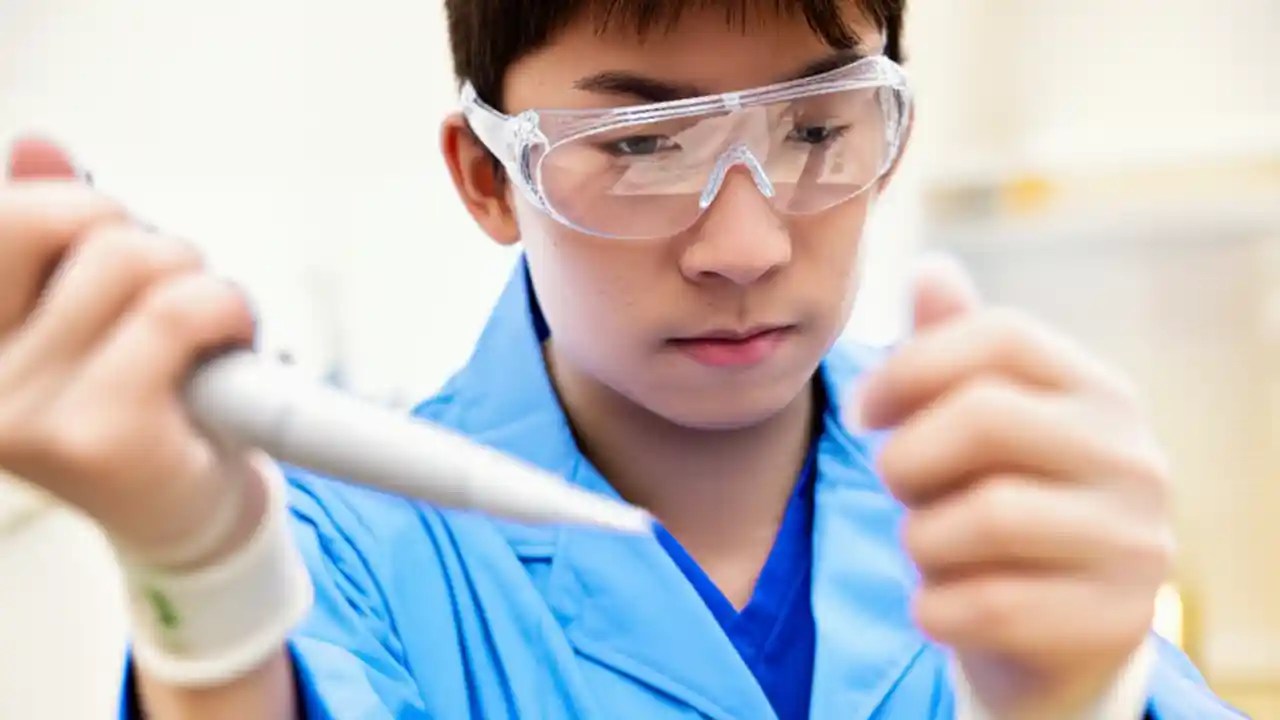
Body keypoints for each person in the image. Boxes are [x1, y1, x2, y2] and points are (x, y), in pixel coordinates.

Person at [0, 1, 1247, 718]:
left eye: (817, 127)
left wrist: (1094, 690)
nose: (747, 245)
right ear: (487, 177)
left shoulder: (989, 490)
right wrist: (205, 588)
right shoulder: (345, 551)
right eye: (643, 146)